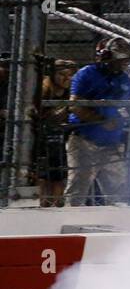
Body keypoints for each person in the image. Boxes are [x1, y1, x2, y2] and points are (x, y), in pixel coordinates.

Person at [66, 38, 130, 206]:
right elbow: (75, 105)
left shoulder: (125, 80)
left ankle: (118, 226)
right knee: (78, 189)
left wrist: (125, 117)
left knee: (119, 193)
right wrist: (101, 120)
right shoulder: (87, 73)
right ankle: (70, 222)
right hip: (84, 140)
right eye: (119, 58)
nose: (122, 63)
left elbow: (128, 107)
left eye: (124, 59)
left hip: (112, 143)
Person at [31, 59, 76, 207]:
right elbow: (40, 115)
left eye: (70, 75)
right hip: (40, 138)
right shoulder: (45, 88)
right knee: (43, 175)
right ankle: (42, 204)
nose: (67, 78)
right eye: (62, 74)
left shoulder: (70, 91)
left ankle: (56, 205)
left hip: (61, 137)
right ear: (52, 74)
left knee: (59, 174)